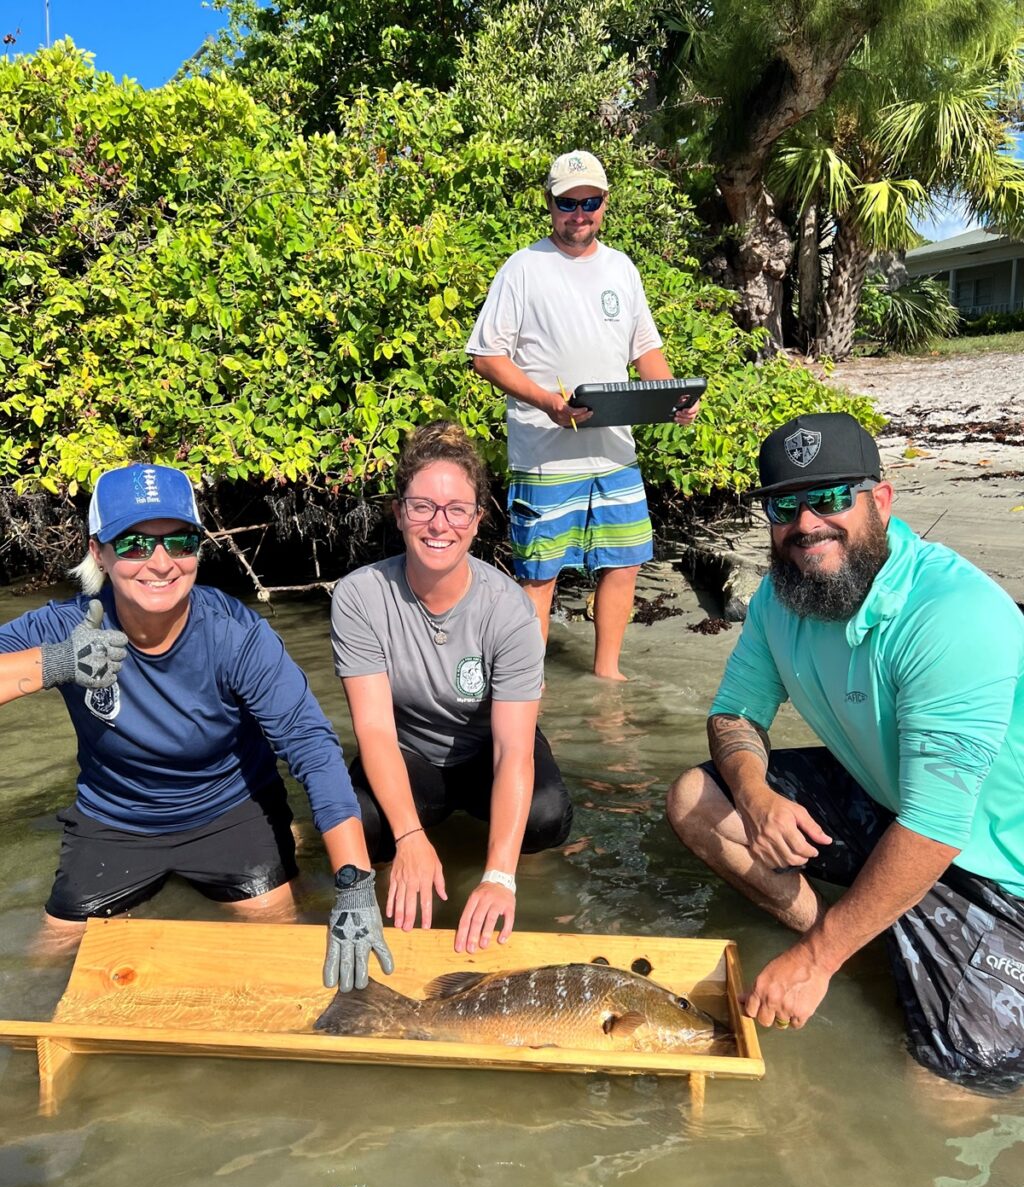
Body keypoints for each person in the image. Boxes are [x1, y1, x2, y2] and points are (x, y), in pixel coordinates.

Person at [666, 412, 1024, 1093]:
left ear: (880, 502)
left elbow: (937, 826)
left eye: (831, 498)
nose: (807, 524)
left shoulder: (951, 614)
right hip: (893, 801)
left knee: (956, 1089)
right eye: (784, 505)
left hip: (998, 866)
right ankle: (858, 942)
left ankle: (841, 950)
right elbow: (734, 714)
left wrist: (811, 961)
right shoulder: (779, 598)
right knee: (695, 798)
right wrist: (756, 795)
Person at [0, 463, 391, 994]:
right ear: (99, 552)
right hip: (116, 819)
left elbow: (311, 747)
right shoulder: (70, 624)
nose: (160, 563)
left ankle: (284, 841)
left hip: (228, 811)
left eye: (179, 541)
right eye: (135, 545)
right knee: (46, 960)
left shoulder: (235, 634)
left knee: (281, 941)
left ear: (199, 549)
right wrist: (54, 663)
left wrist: (355, 886)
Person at [330, 422, 573, 954]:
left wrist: (499, 877)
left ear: (477, 520)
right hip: (410, 753)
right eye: (422, 507)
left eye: (457, 509)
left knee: (546, 815)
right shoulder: (358, 597)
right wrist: (410, 838)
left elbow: (514, 749)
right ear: (398, 513)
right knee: (356, 820)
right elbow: (373, 730)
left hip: (488, 751)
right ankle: (413, 855)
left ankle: (507, 873)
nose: (440, 524)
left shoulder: (510, 609)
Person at [465, 149, 701, 681]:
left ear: (605, 202)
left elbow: (647, 351)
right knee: (539, 575)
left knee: (624, 564)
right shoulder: (522, 268)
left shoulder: (622, 267)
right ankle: (527, 689)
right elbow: (485, 355)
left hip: (615, 455)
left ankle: (607, 679)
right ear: (550, 204)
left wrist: (672, 398)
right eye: (567, 202)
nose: (579, 212)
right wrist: (549, 402)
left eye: (589, 201)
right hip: (545, 457)